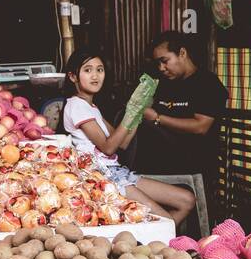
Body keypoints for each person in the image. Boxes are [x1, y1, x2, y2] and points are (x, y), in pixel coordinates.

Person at [62, 47, 195, 226]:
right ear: (73, 77)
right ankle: (163, 241)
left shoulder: (91, 107)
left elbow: (121, 143)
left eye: (99, 70)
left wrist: (137, 113)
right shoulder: (76, 105)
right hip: (102, 178)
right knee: (165, 222)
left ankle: (161, 238)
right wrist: (130, 112)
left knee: (186, 200)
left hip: (116, 172)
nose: (95, 76)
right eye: (88, 70)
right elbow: (108, 147)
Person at [135, 31, 229, 192]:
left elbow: (201, 126)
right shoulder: (165, 84)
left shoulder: (207, 83)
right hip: (162, 160)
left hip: (192, 161)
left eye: (164, 61)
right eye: (158, 64)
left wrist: (157, 118)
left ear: (182, 53)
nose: (161, 68)